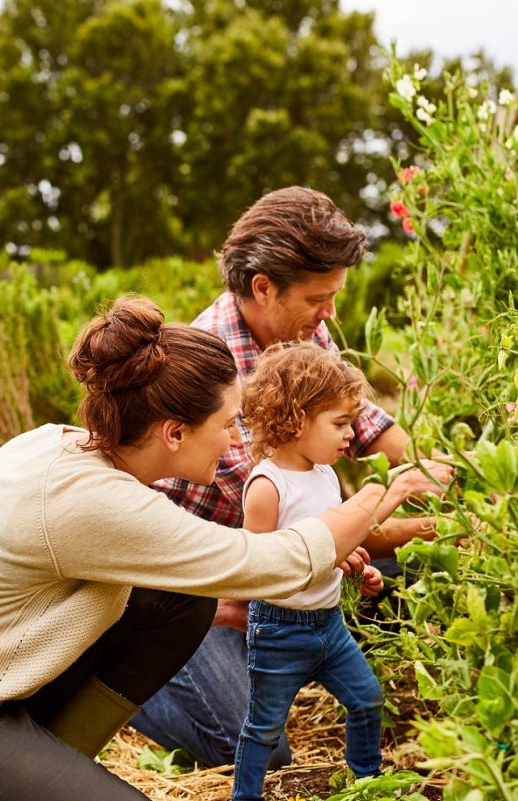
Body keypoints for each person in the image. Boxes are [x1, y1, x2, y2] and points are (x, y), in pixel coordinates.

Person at [0, 297, 453, 801]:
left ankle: (49, 760)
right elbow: (268, 563)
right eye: (229, 423)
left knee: (176, 601)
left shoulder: (72, 450)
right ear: (174, 432)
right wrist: (382, 495)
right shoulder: (92, 502)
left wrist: (337, 539)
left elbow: (239, 566)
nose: (239, 439)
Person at [131, 186, 436, 769]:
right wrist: (423, 525)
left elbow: (375, 428)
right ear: (263, 287)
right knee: (260, 750)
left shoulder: (296, 333)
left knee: (407, 572)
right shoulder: (211, 376)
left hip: (274, 571)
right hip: (196, 595)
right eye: (320, 298)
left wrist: (443, 473)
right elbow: (306, 534)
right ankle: (124, 680)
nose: (331, 316)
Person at [217, 342, 400, 801]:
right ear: (297, 420)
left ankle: (367, 783)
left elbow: (326, 543)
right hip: (280, 628)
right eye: (340, 423)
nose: (351, 434)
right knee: (265, 724)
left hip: (329, 625)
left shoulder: (325, 475)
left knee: (366, 700)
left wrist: (353, 562)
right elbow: (261, 567)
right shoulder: (268, 486)